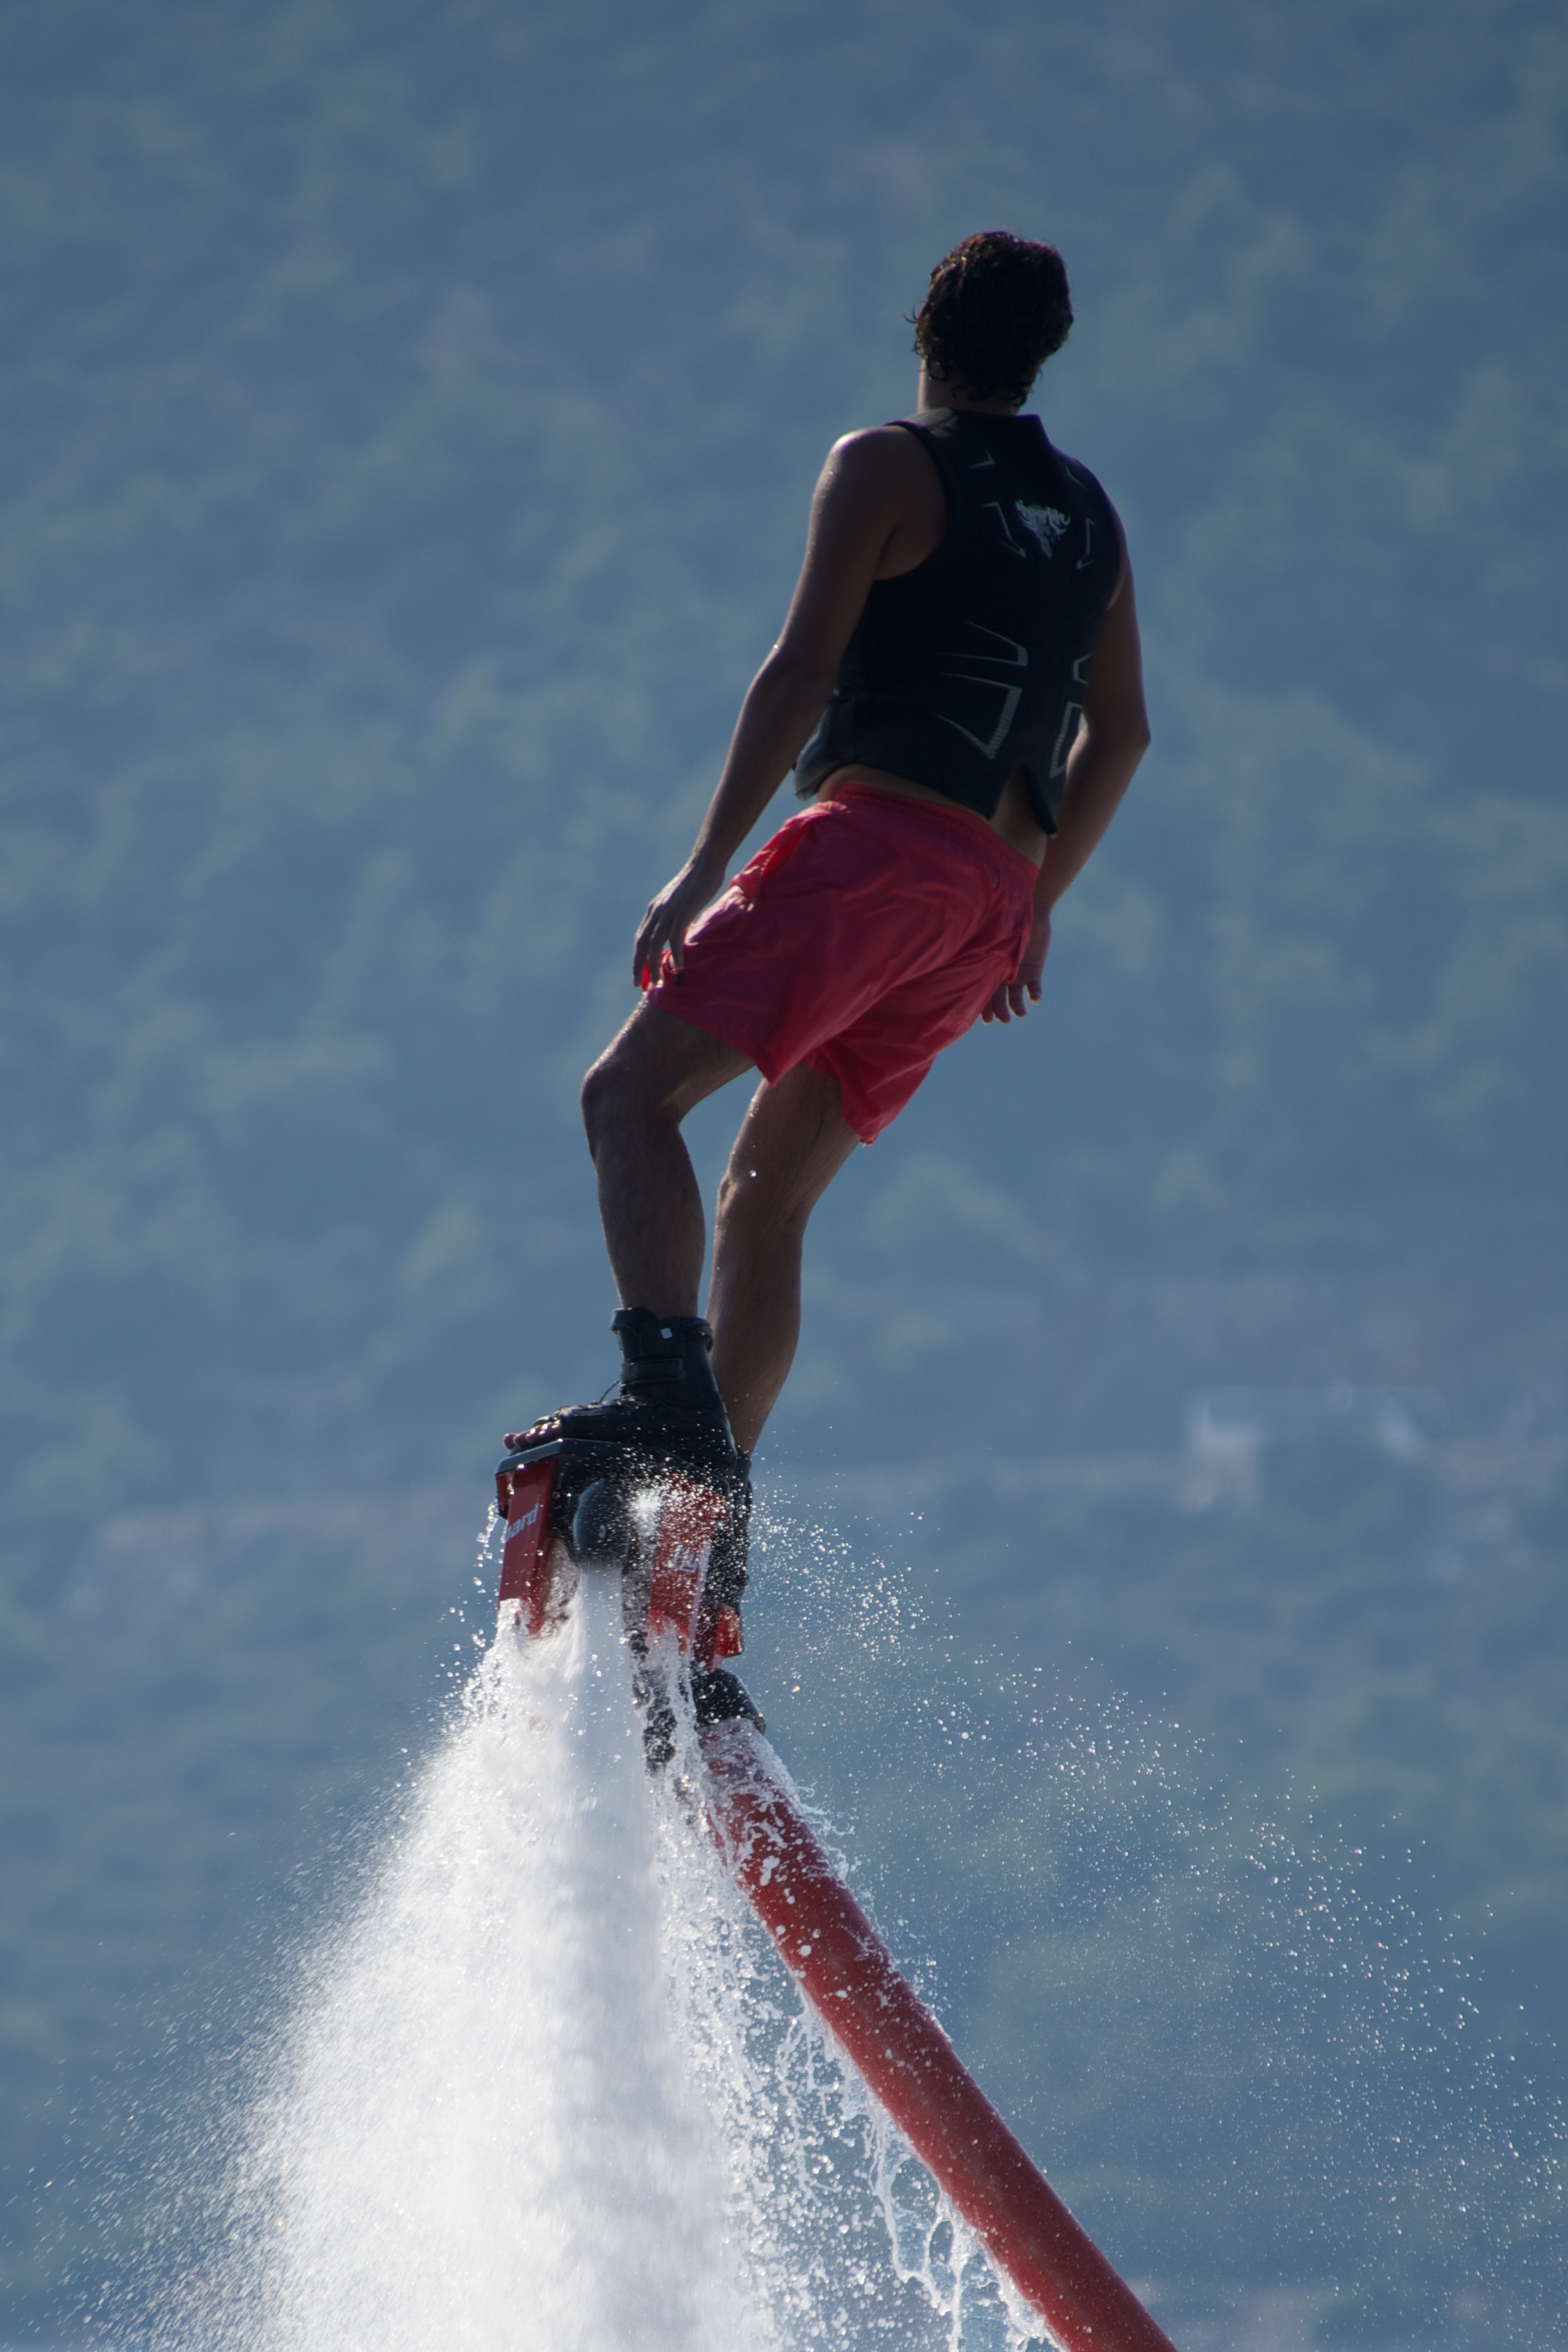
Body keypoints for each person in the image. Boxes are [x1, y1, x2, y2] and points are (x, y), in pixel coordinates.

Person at [507, 231, 1150, 1589]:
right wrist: (1036, 902)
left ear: (923, 327)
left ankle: (666, 1403)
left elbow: (801, 672)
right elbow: (1124, 733)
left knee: (626, 1099)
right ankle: (707, 1524)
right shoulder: (1091, 518)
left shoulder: (884, 466)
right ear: (1045, 353)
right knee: (766, 1199)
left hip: (872, 857)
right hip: (979, 908)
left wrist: (701, 866)